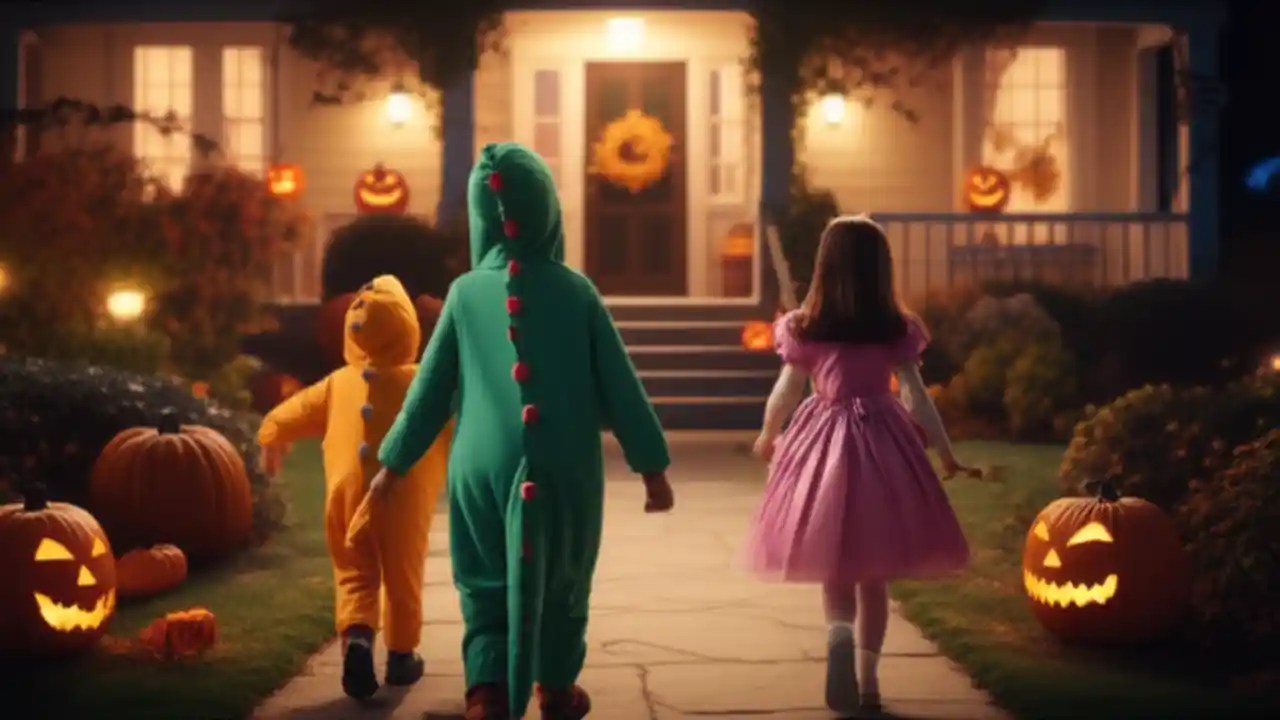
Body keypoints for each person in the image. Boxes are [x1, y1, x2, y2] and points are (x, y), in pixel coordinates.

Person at [364, 142, 674, 720]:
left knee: (484, 583)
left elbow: (430, 391)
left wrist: (393, 463)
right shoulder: (577, 292)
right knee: (563, 579)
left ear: (482, 218)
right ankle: (555, 688)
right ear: (549, 210)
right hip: (565, 466)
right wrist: (651, 469)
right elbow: (620, 386)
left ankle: (486, 692)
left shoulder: (462, 294)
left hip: (480, 463)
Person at [743, 215, 979, 717]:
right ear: (881, 269)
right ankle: (869, 682)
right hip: (882, 442)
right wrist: (945, 452)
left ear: (824, 267)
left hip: (822, 439)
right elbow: (916, 397)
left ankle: (837, 639)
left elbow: (786, 390)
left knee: (835, 559)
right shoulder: (894, 329)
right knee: (875, 573)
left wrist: (768, 433)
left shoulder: (807, 328)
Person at [257, 275, 453, 700]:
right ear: (406, 328)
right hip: (401, 492)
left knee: (354, 572)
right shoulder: (424, 382)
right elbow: (462, 419)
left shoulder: (336, 384)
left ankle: (358, 638)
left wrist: (270, 437)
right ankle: (401, 655)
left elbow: (285, 415)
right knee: (403, 574)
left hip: (345, 495)